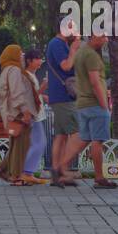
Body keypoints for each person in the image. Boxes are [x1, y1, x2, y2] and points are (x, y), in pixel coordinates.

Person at [55, 28, 115, 189]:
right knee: (97, 141)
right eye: (103, 36)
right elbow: (95, 81)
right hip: (95, 104)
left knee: (83, 138)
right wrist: (104, 104)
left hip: (82, 103)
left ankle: (61, 166)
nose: (106, 39)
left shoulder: (81, 53)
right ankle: (99, 177)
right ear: (94, 36)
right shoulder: (91, 55)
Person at [0, 44, 38, 185]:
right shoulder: (15, 70)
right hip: (18, 112)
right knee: (21, 145)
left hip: (12, 112)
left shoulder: (7, 69)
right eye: (19, 52)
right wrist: (25, 111)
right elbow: (17, 93)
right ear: (13, 55)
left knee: (16, 144)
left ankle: (5, 169)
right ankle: (16, 176)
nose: (22, 55)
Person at [45, 18, 81, 187]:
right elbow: (66, 66)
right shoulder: (58, 44)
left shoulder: (59, 44)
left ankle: (56, 171)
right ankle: (62, 168)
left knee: (61, 135)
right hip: (63, 96)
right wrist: (74, 50)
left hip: (59, 95)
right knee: (77, 132)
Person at [20, 47, 49, 183]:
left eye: (40, 58)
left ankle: (25, 172)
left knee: (35, 143)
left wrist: (42, 95)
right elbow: (28, 96)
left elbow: (34, 95)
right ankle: (26, 172)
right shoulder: (27, 76)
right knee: (40, 143)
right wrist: (43, 86)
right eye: (37, 59)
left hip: (34, 114)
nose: (40, 61)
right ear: (29, 61)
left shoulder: (31, 76)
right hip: (32, 115)